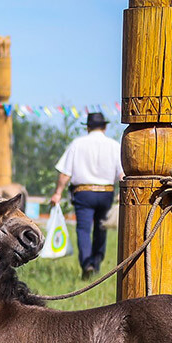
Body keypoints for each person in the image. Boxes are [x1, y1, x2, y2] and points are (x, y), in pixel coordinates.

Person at [48, 111, 123, 279]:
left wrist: (57, 193)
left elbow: (65, 173)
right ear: (104, 127)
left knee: (83, 229)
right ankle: (96, 262)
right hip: (106, 193)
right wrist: (122, 193)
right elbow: (122, 174)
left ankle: (86, 264)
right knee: (101, 228)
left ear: (88, 127)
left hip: (83, 193)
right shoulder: (113, 145)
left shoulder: (77, 144)